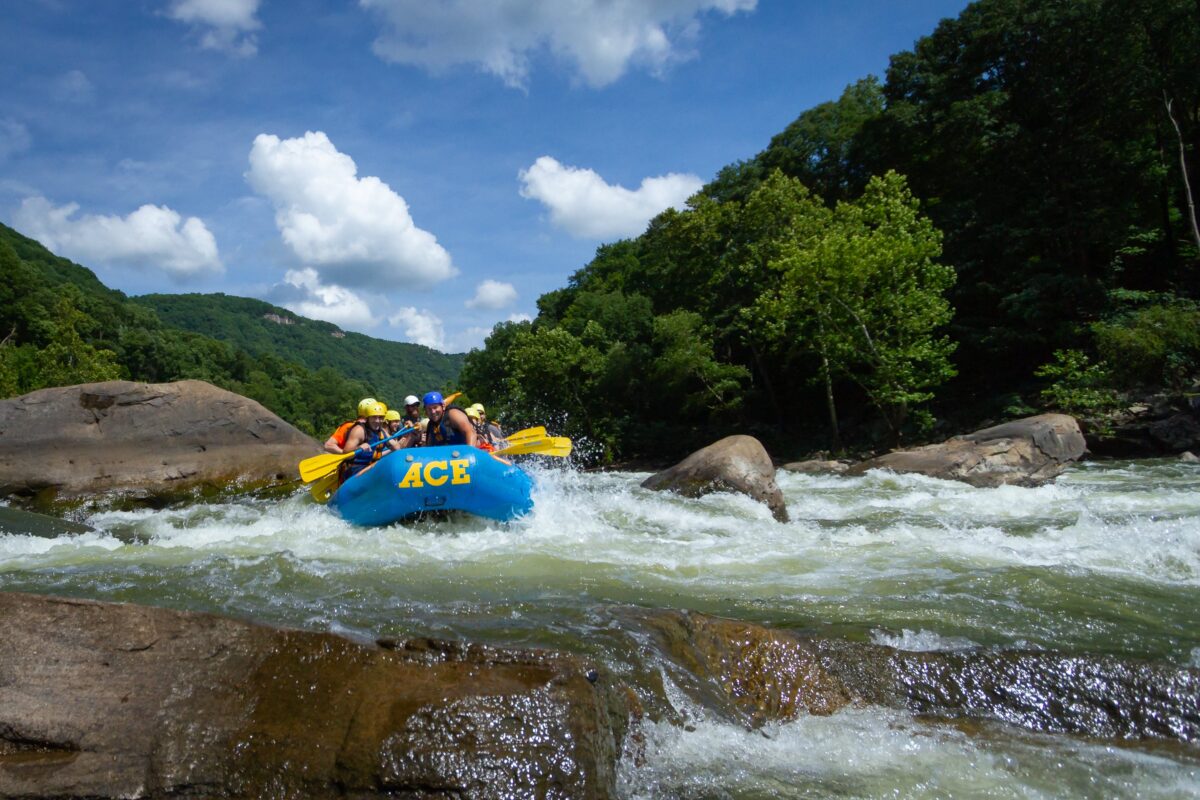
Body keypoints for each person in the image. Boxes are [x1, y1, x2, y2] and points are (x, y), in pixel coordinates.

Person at [339, 401, 395, 480]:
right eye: (374, 417)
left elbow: (397, 448)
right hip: (355, 472)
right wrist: (359, 447)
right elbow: (346, 454)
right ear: (367, 418)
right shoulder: (359, 430)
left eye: (380, 418)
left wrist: (413, 434)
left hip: (371, 469)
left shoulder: (381, 432)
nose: (377, 421)